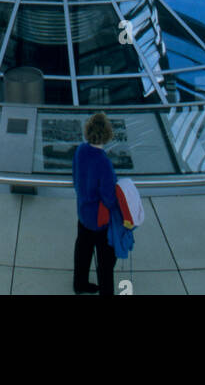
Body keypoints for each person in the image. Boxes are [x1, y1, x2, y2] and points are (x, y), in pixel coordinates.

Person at [72, 111, 118, 297]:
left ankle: (80, 283)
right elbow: (108, 197)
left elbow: (76, 178)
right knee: (106, 261)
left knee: (82, 250)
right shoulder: (104, 163)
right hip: (100, 220)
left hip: (83, 213)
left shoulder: (80, 150)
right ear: (107, 135)